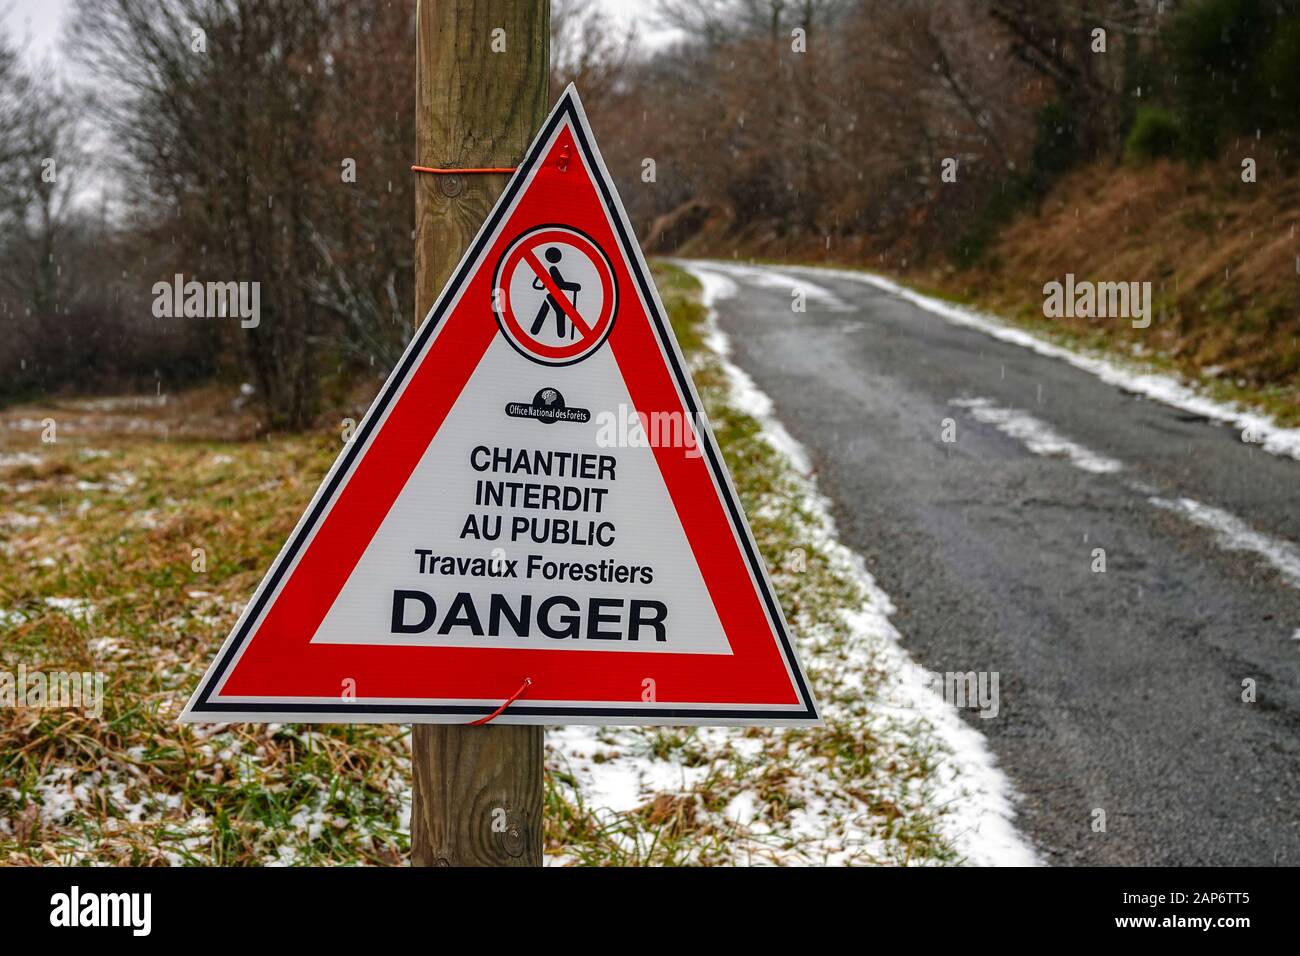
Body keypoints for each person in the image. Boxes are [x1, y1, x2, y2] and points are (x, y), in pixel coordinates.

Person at [530, 247, 582, 338]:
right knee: (556, 311)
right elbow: (560, 284)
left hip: (553, 295)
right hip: (550, 295)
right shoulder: (551, 269)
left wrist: (574, 286)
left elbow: (559, 283)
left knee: (555, 311)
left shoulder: (549, 269)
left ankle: (538, 331)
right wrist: (575, 286)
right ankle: (539, 331)